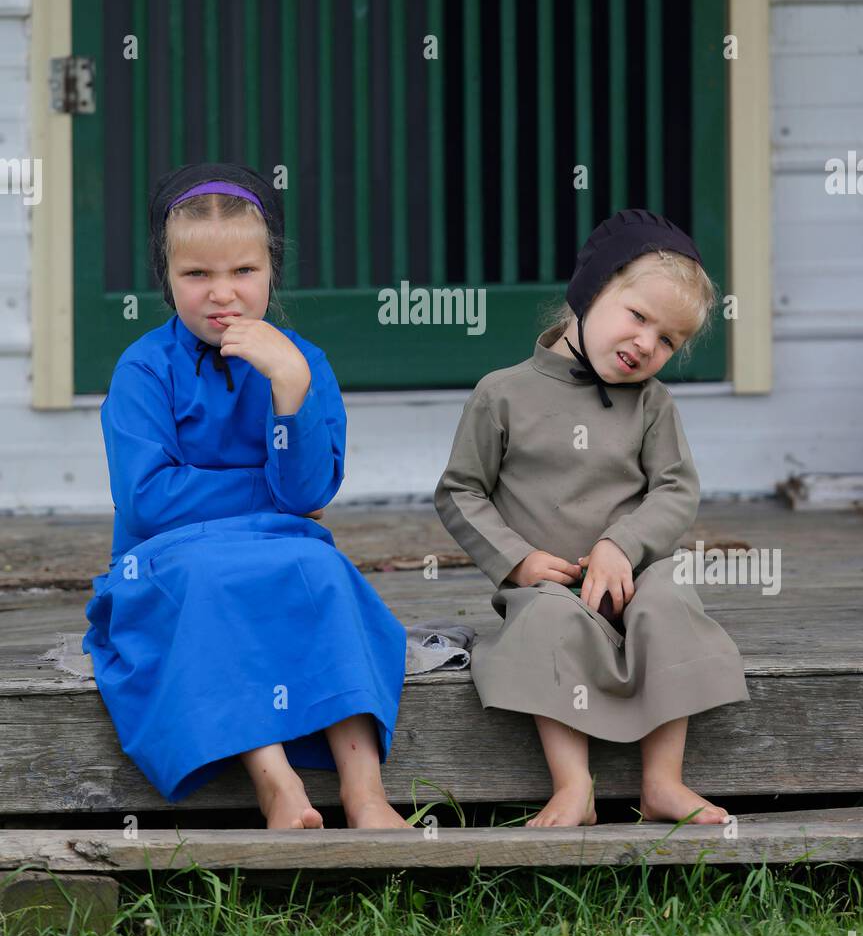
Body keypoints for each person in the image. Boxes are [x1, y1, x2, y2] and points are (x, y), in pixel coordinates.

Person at [83, 162, 410, 830]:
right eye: (195, 275)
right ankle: (276, 783)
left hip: (280, 550)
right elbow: (148, 502)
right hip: (166, 566)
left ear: (271, 271)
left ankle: (364, 789)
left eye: (243, 272)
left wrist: (289, 391)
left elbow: (311, 491)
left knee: (323, 573)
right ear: (166, 277)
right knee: (213, 584)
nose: (221, 294)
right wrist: (270, 494)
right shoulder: (144, 369)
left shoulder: (300, 362)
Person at [434, 208, 751, 829]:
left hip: (633, 577)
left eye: (667, 341)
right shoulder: (503, 394)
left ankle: (663, 782)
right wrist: (517, 561)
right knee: (549, 621)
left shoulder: (653, 406)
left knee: (672, 601)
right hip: (549, 586)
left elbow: (675, 490)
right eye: (637, 317)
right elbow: (460, 492)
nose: (645, 345)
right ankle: (573, 786)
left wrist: (623, 545)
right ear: (591, 290)